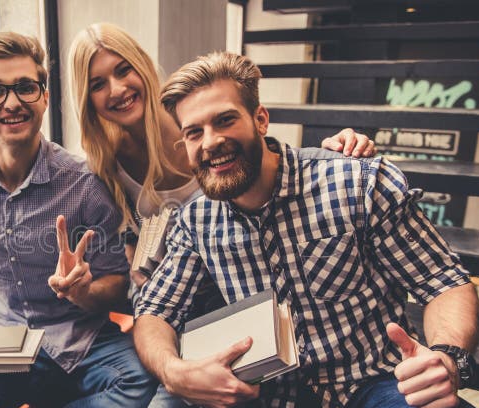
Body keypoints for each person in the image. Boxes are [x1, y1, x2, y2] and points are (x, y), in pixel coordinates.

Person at [131, 51, 479, 408]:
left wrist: (448, 357)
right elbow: (155, 310)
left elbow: (442, 281)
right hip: (269, 402)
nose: (211, 142)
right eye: (194, 132)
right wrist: (173, 371)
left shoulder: (354, 181)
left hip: (376, 388)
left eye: (225, 120)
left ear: (260, 119)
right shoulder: (197, 221)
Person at [0, 31, 156, 408]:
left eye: (25, 87)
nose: (12, 103)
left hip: (82, 340)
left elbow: (116, 284)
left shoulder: (86, 184)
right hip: (2, 338)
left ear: (44, 96)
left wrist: (84, 291)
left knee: (142, 385)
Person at [67, 23, 376, 289]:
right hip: (183, 284)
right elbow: (132, 243)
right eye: (98, 84)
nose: (117, 89)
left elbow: (261, 157)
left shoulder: (193, 113)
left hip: (244, 268)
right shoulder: (106, 162)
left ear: (142, 65)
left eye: (123, 70)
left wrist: (327, 155)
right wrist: (139, 270)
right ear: (87, 98)